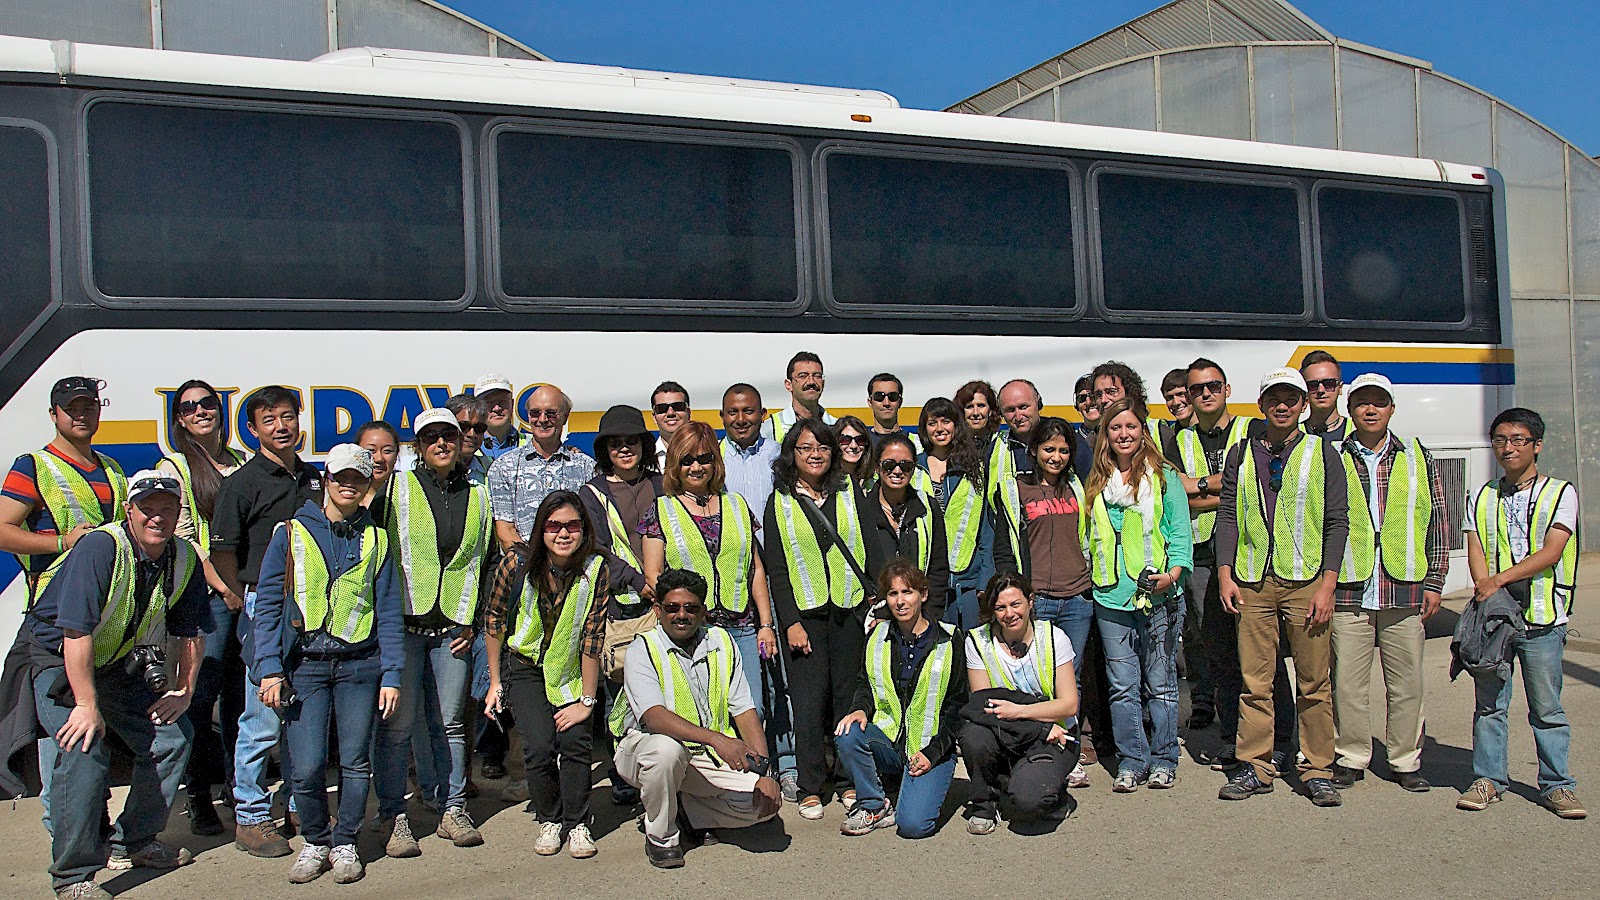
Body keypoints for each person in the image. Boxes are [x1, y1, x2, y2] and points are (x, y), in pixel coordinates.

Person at [18, 470, 206, 900]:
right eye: (147, 508)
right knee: (84, 745)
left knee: (172, 738)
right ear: (129, 511)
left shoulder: (185, 558)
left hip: (113, 662)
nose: (156, 517)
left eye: (167, 508)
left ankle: (133, 843)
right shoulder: (101, 547)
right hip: (58, 659)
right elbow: (75, 633)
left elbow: (191, 630)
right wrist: (87, 705)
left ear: (179, 513)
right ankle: (73, 877)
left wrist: (184, 690)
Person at [252, 444, 403, 884]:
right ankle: (315, 842)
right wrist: (269, 668)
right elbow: (267, 608)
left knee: (356, 762)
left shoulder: (377, 537)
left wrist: (391, 673)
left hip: (360, 665)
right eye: (341, 478)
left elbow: (389, 609)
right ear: (326, 479)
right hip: (304, 667)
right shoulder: (291, 533)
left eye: (358, 478)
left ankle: (345, 842)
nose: (349, 486)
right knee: (306, 765)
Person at [1215, 367, 1349, 808]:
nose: (1283, 405)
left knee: (1313, 682)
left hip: (1306, 581)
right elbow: (1229, 516)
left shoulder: (1322, 453)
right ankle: (1256, 765)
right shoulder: (1240, 453)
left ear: (1303, 403)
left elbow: (1336, 521)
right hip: (1254, 581)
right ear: (1261, 404)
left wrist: (1327, 585)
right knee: (1255, 683)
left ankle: (1317, 769)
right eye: (1274, 397)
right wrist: (1224, 572)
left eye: (1291, 397)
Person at [638, 423, 790, 792]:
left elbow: (756, 570)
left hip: (740, 625)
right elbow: (653, 576)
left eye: (704, 458)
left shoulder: (737, 505)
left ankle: (758, 780)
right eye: (687, 459)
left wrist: (766, 624)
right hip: (689, 632)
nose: (696, 467)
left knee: (752, 707)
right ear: (674, 464)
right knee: (700, 712)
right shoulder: (661, 510)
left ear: (715, 462)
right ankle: (704, 790)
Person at [373, 409, 494, 858]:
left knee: (452, 723)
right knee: (398, 725)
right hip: (403, 625)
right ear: (419, 446)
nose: (441, 443)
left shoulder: (479, 494)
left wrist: (474, 618)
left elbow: (483, 561)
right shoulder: (397, 487)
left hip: (453, 628)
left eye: (449, 435)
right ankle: (393, 816)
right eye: (431, 437)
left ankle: (453, 808)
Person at [211, 385, 322, 858]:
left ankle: (298, 805)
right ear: (252, 430)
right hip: (266, 606)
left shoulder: (315, 480)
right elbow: (221, 555)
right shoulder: (243, 483)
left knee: (300, 712)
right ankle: (251, 816)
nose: (281, 426)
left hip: (311, 607)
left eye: (287, 416)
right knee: (261, 717)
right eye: (268, 419)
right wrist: (245, 601)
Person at [1458, 407, 1585, 819]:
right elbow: (1475, 546)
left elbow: (1552, 551)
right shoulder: (1481, 495)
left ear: (1537, 446)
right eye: (1500, 440)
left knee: (1546, 708)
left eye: (1518, 440)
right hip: (1495, 620)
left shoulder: (1561, 493)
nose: (1508, 448)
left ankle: (1557, 785)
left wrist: (1497, 581)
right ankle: (1488, 780)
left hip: (1542, 616)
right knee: (1489, 703)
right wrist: (1485, 587)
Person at [1166, 358, 1291, 761]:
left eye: (1213, 386)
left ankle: (1283, 738)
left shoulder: (1253, 429)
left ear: (1227, 390)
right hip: (1203, 558)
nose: (1205, 393)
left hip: (1254, 554)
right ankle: (1235, 738)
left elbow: (1269, 479)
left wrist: (1201, 486)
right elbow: (1175, 493)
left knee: (1264, 652)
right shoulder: (1176, 440)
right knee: (1219, 651)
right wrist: (1232, 488)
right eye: (1197, 388)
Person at [613, 568, 781, 869]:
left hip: (704, 758)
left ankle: (685, 811)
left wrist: (765, 774)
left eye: (691, 608)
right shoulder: (643, 648)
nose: (681, 615)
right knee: (666, 752)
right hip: (644, 752)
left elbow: (744, 709)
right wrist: (718, 739)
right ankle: (662, 836)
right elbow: (654, 718)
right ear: (657, 611)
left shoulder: (721, 642)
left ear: (702, 612)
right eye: (672, 608)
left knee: (764, 806)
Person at [1329, 374, 1448, 794]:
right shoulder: (1334, 455)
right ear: (1350, 409)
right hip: (1349, 587)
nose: (1371, 409)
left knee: (1406, 684)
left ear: (1392, 409)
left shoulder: (1418, 456)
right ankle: (1351, 756)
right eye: (1362, 402)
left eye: (1379, 402)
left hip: (1404, 588)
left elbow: (1438, 522)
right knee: (1347, 683)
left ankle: (1405, 761)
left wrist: (1435, 581)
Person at [763, 418, 882, 820]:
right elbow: (776, 568)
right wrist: (790, 621)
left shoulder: (851, 492)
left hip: (850, 612)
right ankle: (812, 785)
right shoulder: (778, 500)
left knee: (847, 698)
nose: (815, 455)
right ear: (791, 455)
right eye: (805, 448)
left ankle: (849, 780)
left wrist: (878, 601)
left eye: (823, 448)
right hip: (806, 617)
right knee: (809, 704)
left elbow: (874, 547)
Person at [483, 491, 608, 858]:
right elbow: (493, 623)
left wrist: (586, 701)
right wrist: (495, 682)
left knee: (575, 742)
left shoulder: (595, 569)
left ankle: (578, 821)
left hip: (570, 669)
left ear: (584, 530)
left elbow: (592, 636)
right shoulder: (515, 565)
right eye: (554, 526)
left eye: (572, 525)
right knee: (538, 746)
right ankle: (550, 818)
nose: (563, 534)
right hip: (524, 668)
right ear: (541, 530)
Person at [1082, 400, 1192, 791]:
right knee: (1122, 686)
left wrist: (1173, 576)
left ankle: (1164, 758)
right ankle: (1132, 760)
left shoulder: (1165, 478)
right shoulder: (1095, 482)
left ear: (1142, 431)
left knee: (1160, 683)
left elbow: (1180, 537)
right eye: (1115, 428)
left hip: (1157, 598)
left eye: (1130, 426)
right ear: (1106, 436)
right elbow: (1087, 537)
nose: (1123, 434)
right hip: (1110, 598)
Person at [156, 380, 248, 837]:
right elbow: (187, 539)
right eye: (189, 407)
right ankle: (196, 795)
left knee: (240, 699)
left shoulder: (241, 461)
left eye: (208, 404)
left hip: (247, 596)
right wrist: (226, 589)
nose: (200, 412)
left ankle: (238, 788)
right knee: (198, 696)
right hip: (208, 599)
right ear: (179, 418)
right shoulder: (175, 466)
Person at [990, 415, 1095, 787]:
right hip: (1040, 597)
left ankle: (1070, 749)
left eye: (1064, 450)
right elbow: (1005, 543)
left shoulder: (1078, 489)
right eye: (1049, 449)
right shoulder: (1017, 489)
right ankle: (1036, 745)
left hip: (1078, 596)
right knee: (1037, 677)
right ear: (1034, 451)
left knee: (1072, 678)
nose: (1056, 456)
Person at [834, 560, 966, 838]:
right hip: (889, 739)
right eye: (893, 594)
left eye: (907, 592)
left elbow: (958, 707)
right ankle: (873, 804)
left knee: (913, 827)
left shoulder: (950, 639)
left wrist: (932, 754)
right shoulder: (877, 636)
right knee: (847, 732)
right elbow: (865, 683)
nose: (900, 602)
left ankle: (911, 789)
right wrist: (859, 709)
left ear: (923, 595)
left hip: (930, 748)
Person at [580, 404, 659, 806]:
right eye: (616, 444)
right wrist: (638, 582)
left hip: (663, 608)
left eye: (632, 442)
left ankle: (661, 770)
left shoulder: (663, 485)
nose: (624, 449)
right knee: (620, 697)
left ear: (645, 446)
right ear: (605, 450)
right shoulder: (591, 493)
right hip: (619, 610)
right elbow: (595, 548)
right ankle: (624, 773)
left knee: (662, 694)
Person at [959, 573, 1080, 834]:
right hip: (1012, 732)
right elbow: (983, 705)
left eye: (1016, 604)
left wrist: (1020, 711)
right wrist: (1037, 725)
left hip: (1055, 738)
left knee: (1027, 802)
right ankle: (984, 805)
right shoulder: (977, 642)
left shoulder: (1054, 637)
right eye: (1000, 607)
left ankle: (1054, 795)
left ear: (1030, 602)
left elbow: (1069, 705)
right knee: (973, 734)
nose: (1009, 613)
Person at [0, 377, 128, 606]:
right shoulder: (32, 466)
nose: (81, 416)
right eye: (71, 409)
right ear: (53, 414)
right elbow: (1, 531)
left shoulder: (113, 468)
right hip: (55, 605)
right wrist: (63, 543)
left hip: (109, 601)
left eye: (88, 408)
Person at [488, 384, 596, 550]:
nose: (543, 419)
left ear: (565, 417)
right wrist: (536, 566)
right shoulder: (504, 467)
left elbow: (592, 527)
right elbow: (506, 531)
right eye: (535, 413)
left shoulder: (586, 467)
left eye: (551, 413)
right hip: (525, 568)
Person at [918, 397, 992, 629]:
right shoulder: (914, 467)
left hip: (967, 583)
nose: (939, 429)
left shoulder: (974, 467)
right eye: (932, 423)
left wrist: (984, 579)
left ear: (956, 425)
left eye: (946, 421)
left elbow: (986, 527)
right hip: (924, 582)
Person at [864, 434, 948, 619]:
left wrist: (931, 616)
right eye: (889, 465)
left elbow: (938, 567)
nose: (897, 471)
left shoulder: (928, 506)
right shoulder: (862, 509)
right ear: (877, 467)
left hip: (921, 615)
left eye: (905, 465)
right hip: (876, 617)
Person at [719, 383, 781, 526]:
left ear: (762, 415)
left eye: (748, 411)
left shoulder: (779, 454)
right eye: (733, 412)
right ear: (722, 416)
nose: (740, 420)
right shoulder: (711, 458)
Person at [761, 351, 835, 443]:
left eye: (817, 376)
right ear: (789, 385)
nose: (811, 382)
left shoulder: (836, 427)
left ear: (823, 383)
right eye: (803, 376)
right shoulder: (769, 429)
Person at [1299, 350, 1354, 440]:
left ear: (1340, 388)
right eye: (1313, 385)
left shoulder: (1357, 431)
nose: (1321, 390)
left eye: (1329, 383)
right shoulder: (1294, 434)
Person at [474, 374, 524, 460]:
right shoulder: (467, 450)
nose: (497, 408)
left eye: (502, 401)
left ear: (512, 404)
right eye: (489, 402)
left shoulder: (533, 444)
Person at [356, 421, 401, 516]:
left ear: (396, 455)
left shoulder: (407, 496)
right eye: (371, 451)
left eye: (387, 451)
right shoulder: (345, 495)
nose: (379, 458)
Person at [865, 373, 919, 452]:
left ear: (900, 402)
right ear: (870, 402)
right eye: (879, 397)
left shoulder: (917, 443)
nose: (886, 403)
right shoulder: (861, 444)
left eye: (892, 396)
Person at [447, 393, 493, 484]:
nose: (472, 434)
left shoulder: (492, 469)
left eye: (479, 428)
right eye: (463, 426)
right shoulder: (416, 467)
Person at [649, 382, 692, 471]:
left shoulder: (707, 452)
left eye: (678, 406)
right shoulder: (645, 459)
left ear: (688, 413)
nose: (670, 413)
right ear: (654, 416)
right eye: (662, 408)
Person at [1073, 374, 1100, 475]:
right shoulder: (1070, 441)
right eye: (1082, 398)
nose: (1088, 402)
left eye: (1093, 396)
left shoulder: (1119, 437)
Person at [834, 416, 873, 485]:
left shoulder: (875, 479)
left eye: (860, 440)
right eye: (845, 439)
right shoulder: (827, 480)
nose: (853, 446)